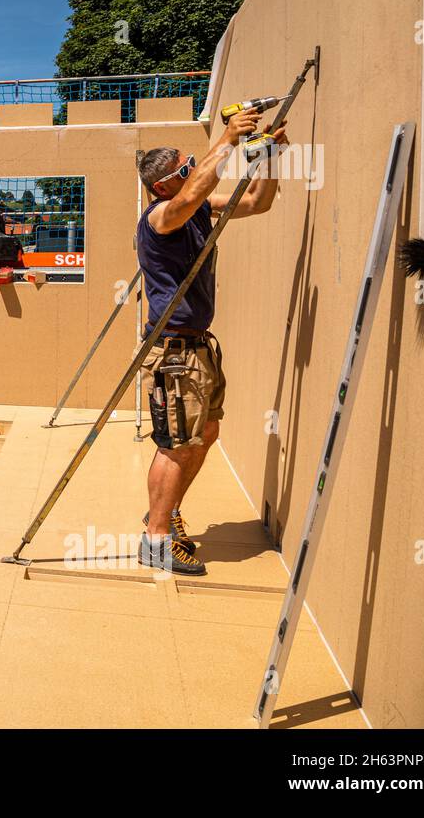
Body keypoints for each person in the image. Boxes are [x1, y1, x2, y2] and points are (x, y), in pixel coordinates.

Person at [134, 108, 287, 575]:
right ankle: (155, 539)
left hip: (199, 347)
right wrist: (227, 139)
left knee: (204, 434)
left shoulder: (198, 205)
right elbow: (195, 191)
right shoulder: (161, 216)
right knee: (175, 444)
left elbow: (257, 203)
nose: (193, 170)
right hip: (174, 353)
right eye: (186, 168)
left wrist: (270, 158)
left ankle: (166, 508)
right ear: (163, 186)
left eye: (192, 163)